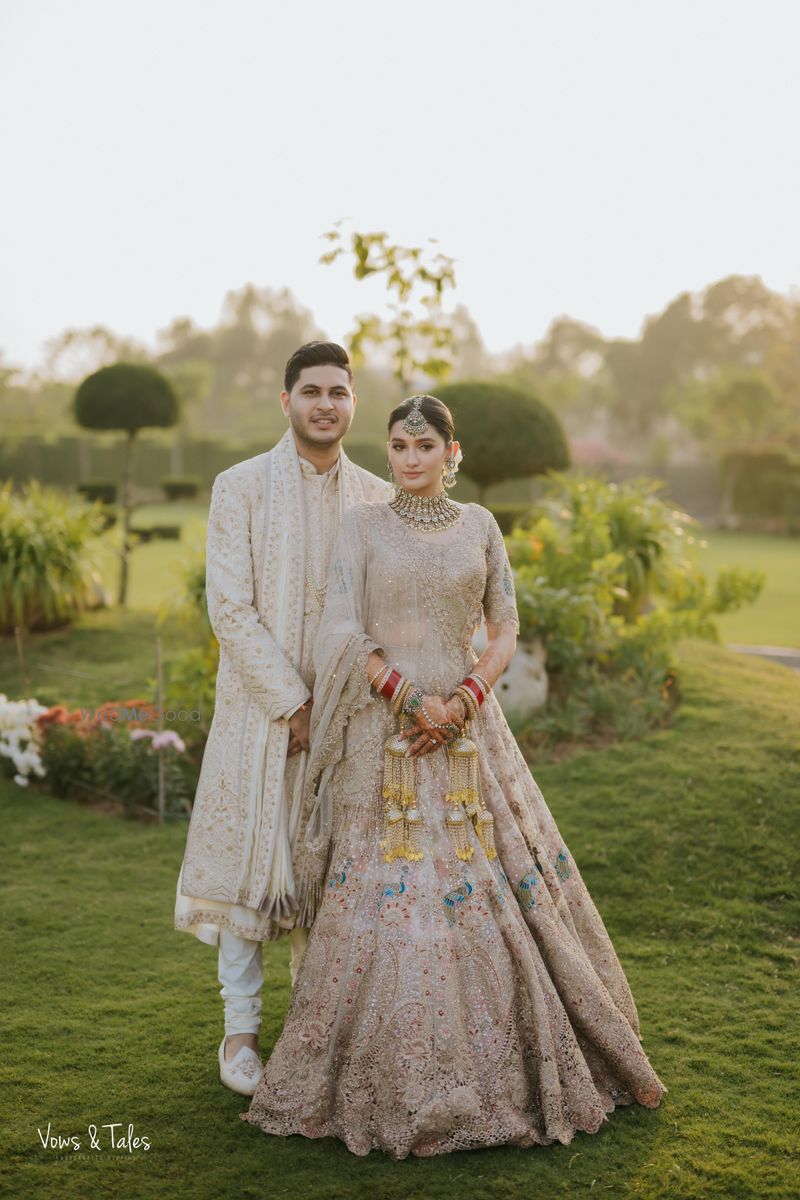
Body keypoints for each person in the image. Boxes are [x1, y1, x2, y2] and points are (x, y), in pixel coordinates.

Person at [240, 393, 667, 1157]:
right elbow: (340, 628)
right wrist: (406, 697)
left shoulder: (480, 527)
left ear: (451, 453)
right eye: (399, 446)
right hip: (387, 740)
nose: (408, 459)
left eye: (424, 446)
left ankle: (507, 1062)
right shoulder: (362, 528)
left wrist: (464, 700)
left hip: (469, 739)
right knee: (388, 886)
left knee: (493, 879)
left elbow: (503, 628)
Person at [173, 341, 393, 1096]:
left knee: (330, 872)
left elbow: (383, 610)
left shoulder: (375, 496)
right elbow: (228, 608)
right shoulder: (240, 488)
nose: (325, 404)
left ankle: (313, 1027)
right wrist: (291, 703)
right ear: (287, 401)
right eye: (311, 391)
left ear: (353, 402)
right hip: (258, 716)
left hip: (349, 720)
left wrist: (333, 705)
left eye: (338, 391)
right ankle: (239, 1033)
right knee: (250, 870)